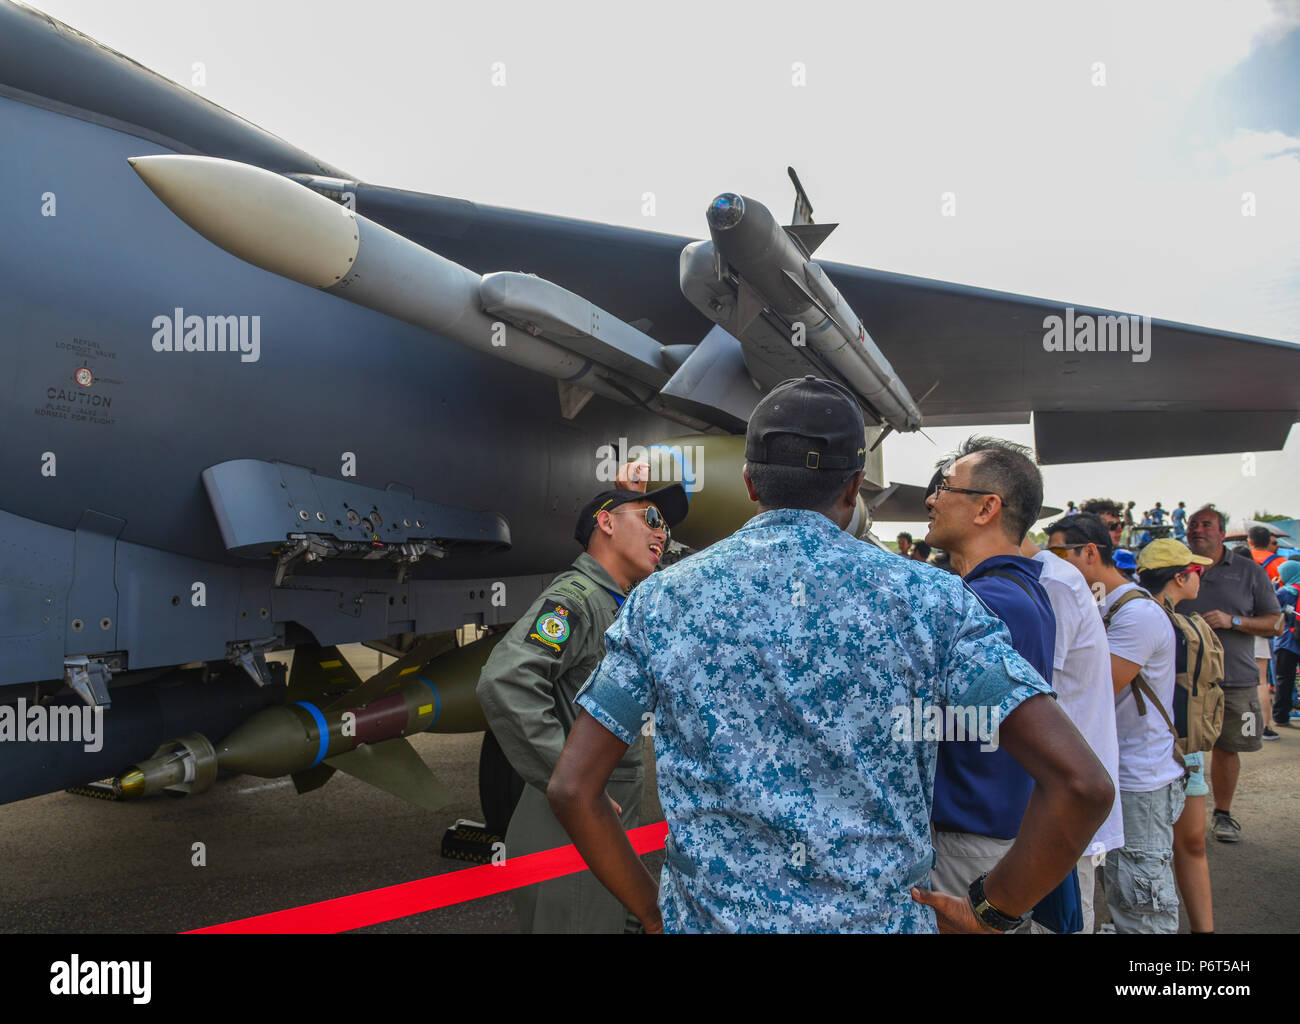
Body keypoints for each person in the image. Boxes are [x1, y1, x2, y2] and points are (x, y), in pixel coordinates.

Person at [547, 377, 1113, 933]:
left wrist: (653, 912)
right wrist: (994, 909)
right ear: (854, 487)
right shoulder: (931, 600)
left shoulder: (663, 600)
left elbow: (573, 788)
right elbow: (1081, 786)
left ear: (750, 482)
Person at [476, 480, 688, 932]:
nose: (662, 534)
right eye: (651, 518)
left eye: (665, 526)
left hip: (596, 835)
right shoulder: (577, 598)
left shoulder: (616, 604)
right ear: (606, 523)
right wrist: (574, 783)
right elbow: (506, 679)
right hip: (570, 838)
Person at [923, 436, 1086, 934]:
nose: (931, 499)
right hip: (991, 833)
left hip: (966, 843)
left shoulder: (984, 602)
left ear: (987, 508)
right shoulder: (1020, 592)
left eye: (945, 488)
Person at [1046, 513, 1186, 933]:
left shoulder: (1135, 614)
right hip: (1114, 771)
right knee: (1115, 890)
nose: (1049, 563)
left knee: (1142, 904)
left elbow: (1095, 686)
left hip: (1137, 779)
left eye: (1056, 552)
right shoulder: (1100, 604)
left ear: (1090, 552)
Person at [1022, 534, 1124, 933]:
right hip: (1060, 783)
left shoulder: (1054, 582)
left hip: (1065, 787)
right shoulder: (1051, 576)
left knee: (1063, 918)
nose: (931, 502)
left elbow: (1038, 682)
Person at [1177, 506, 1283, 843]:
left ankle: (1222, 814)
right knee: (1177, 748)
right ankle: (1176, 815)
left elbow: (1275, 624)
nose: (1198, 530)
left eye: (1206, 525)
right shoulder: (1175, 566)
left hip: (1235, 679)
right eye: (1193, 524)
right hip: (1181, 679)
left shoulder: (1249, 571)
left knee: (1229, 747)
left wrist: (1233, 621)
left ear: (1222, 533)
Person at [1135, 539, 1218, 934]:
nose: (1200, 576)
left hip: (1181, 749)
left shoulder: (1171, 620)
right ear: (1179, 578)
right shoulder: (1153, 621)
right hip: (1171, 751)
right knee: (1178, 848)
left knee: (1189, 845)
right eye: (1195, 571)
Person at [1274, 561, 1300, 728]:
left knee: (1284, 680)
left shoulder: (1285, 591)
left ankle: (1281, 716)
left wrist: (1274, 587)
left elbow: (1269, 606)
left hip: (1287, 642)